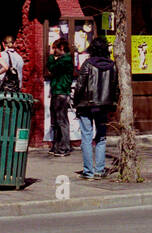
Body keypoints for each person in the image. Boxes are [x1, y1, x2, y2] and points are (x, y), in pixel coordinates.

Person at [72, 35, 119, 179]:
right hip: (104, 106)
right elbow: (115, 87)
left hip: (86, 105)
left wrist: (75, 101)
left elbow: (80, 85)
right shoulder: (112, 65)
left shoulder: (88, 64)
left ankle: (88, 171)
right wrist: (113, 103)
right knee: (101, 137)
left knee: (86, 137)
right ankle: (99, 169)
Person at [47, 38, 74, 155]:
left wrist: (50, 56)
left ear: (61, 48)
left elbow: (51, 67)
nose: (54, 51)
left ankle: (64, 147)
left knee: (61, 120)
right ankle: (58, 146)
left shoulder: (66, 60)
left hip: (61, 92)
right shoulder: (64, 60)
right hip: (57, 91)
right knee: (57, 120)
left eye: (55, 48)